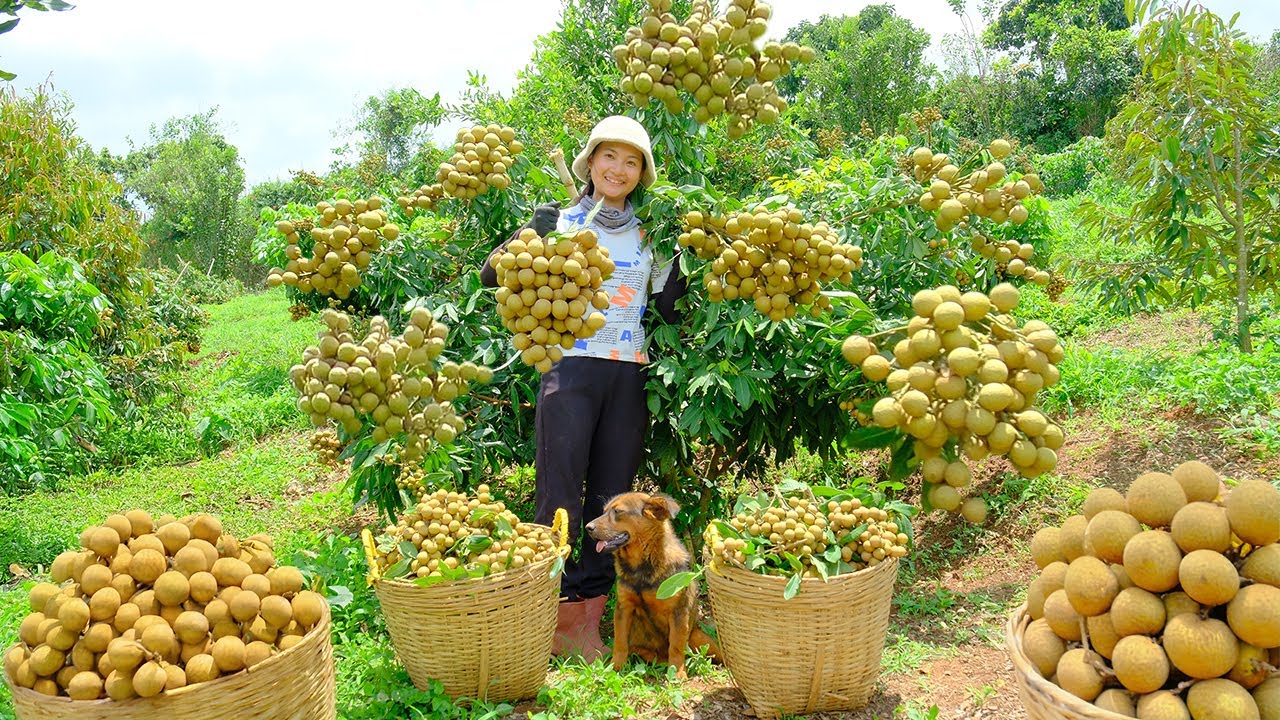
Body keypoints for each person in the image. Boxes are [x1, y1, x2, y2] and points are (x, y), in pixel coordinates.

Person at [480, 115, 686, 660]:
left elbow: (664, 308)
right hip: (570, 367)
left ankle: (594, 610)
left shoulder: (651, 232)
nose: (619, 169)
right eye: (609, 157)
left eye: (631, 160)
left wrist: (689, 256)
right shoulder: (563, 219)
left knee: (612, 495)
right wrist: (534, 232)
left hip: (628, 370)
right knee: (560, 490)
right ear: (591, 163)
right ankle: (554, 609)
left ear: (641, 173)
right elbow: (489, 275)